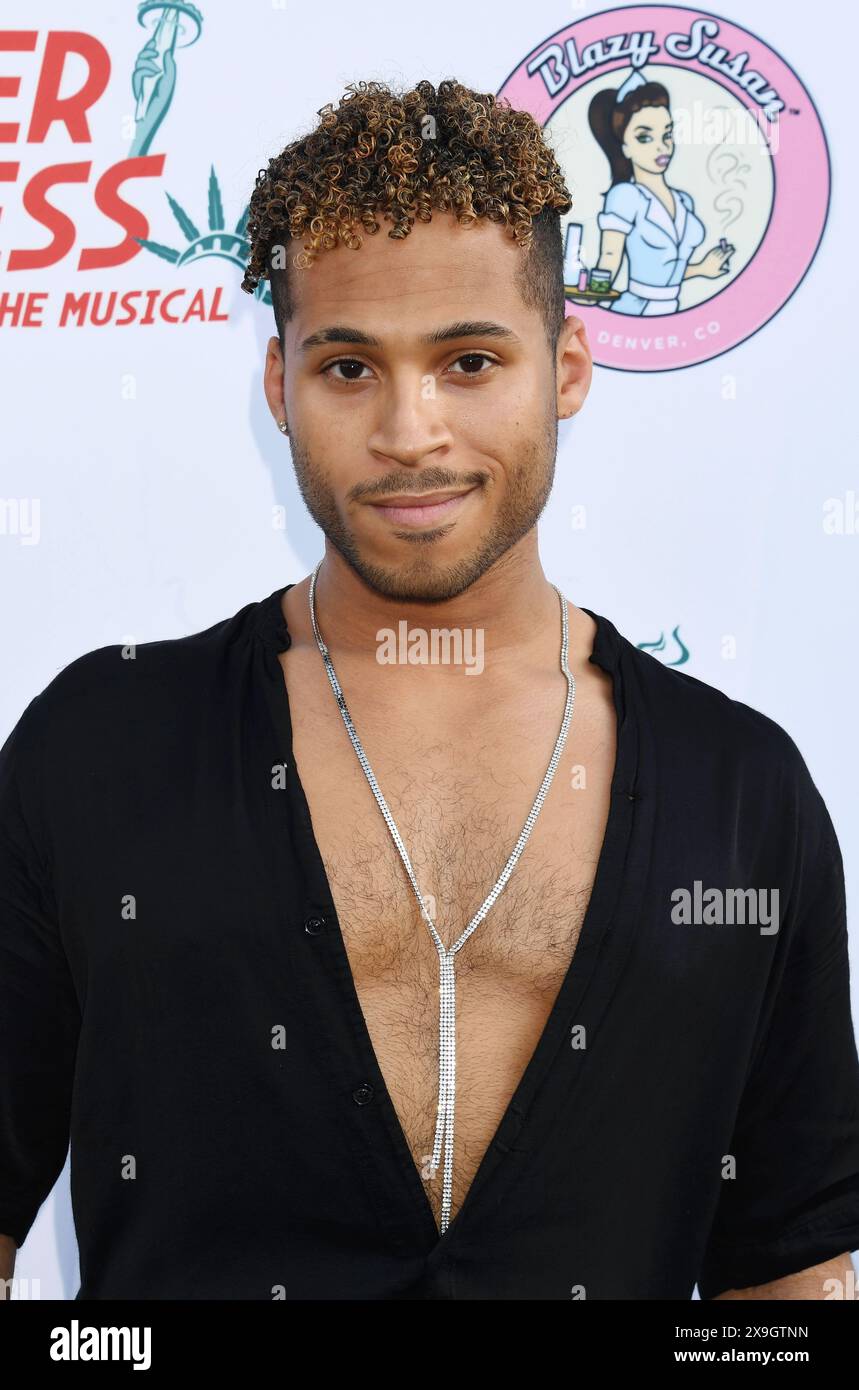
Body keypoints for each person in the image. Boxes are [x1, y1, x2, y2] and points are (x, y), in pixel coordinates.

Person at [1, 77, 858, 1301]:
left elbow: (789, 1272)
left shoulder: (740, 790)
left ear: (566, 365)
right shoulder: (99, 750)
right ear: (276, 384)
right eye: (347, 367)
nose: (410, 430)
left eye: (468, 360)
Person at [587, 68, 734, 314]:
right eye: (645, 138)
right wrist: (590, 296)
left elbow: (665, 270)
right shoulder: (625, 196)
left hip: (672, 310)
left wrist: (702, 269)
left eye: (666, 134)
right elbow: (610, 259)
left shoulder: (684, 200)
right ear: (625, 147)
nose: (661, 146)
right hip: (636, 309)